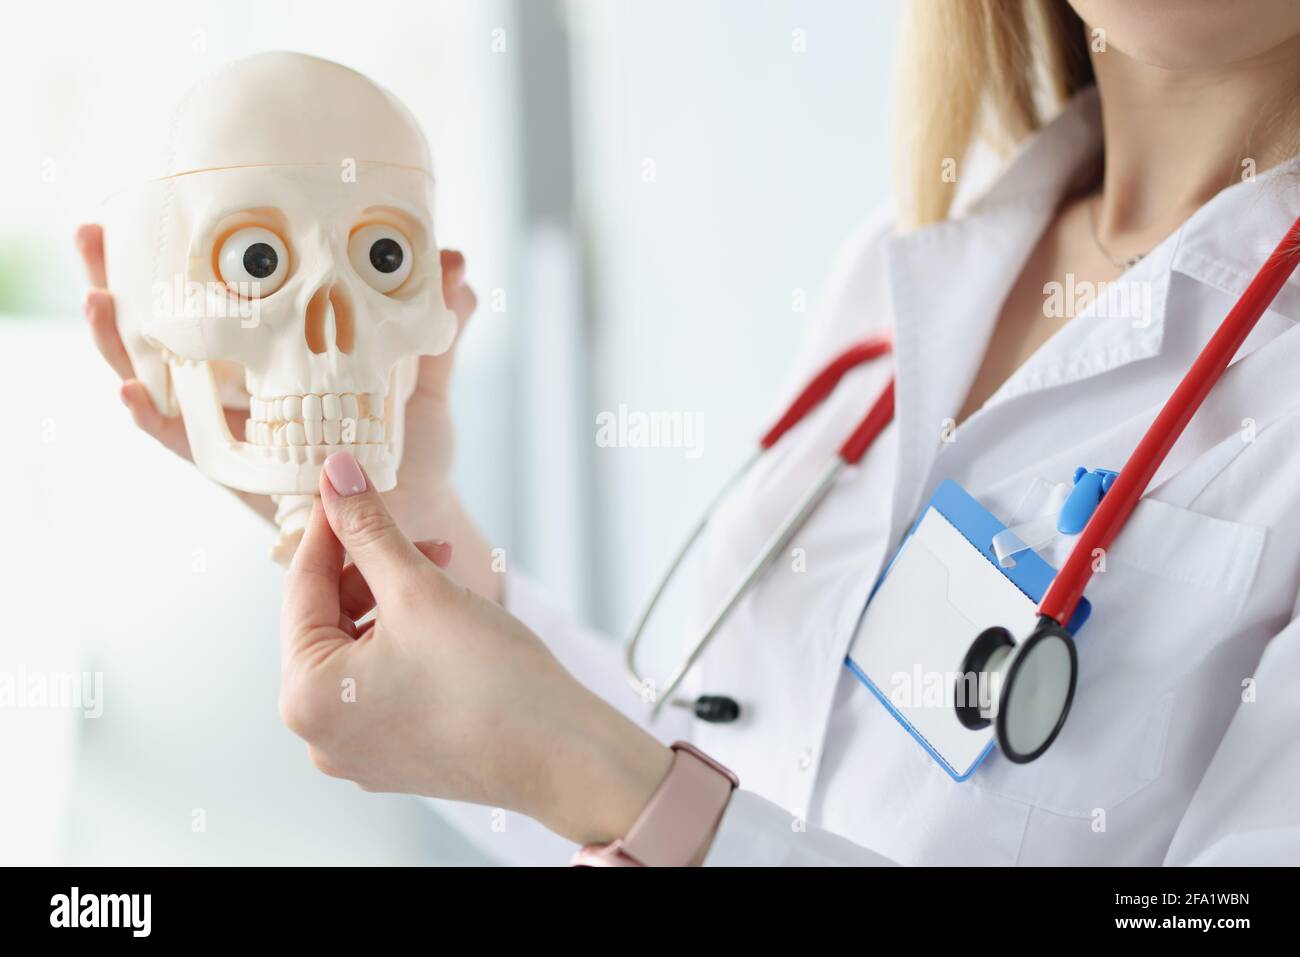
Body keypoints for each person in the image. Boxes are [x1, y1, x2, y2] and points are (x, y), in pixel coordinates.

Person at [76, 0, 1300, 865]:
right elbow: (719, 773)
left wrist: (605, 784)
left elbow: (652, 797)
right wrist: (420, 534)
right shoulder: (899, 275)